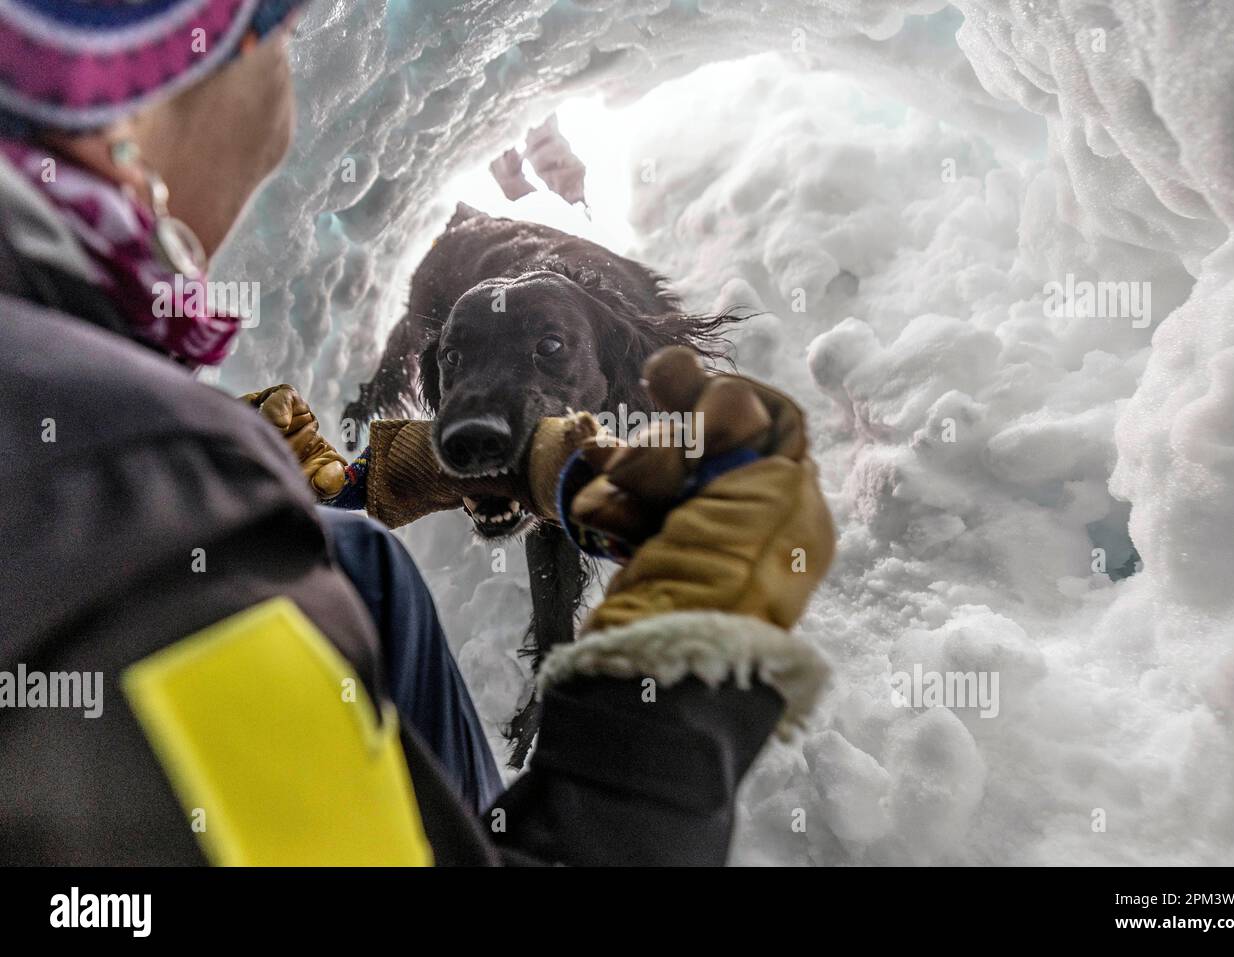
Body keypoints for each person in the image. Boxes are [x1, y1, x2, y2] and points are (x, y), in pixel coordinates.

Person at [0, 0, 833, 866]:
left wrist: (325, 475)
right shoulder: (148, 498)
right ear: (149, 88)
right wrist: (687, 644)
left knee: (361, 558)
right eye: (279, 39)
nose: (284, 100)